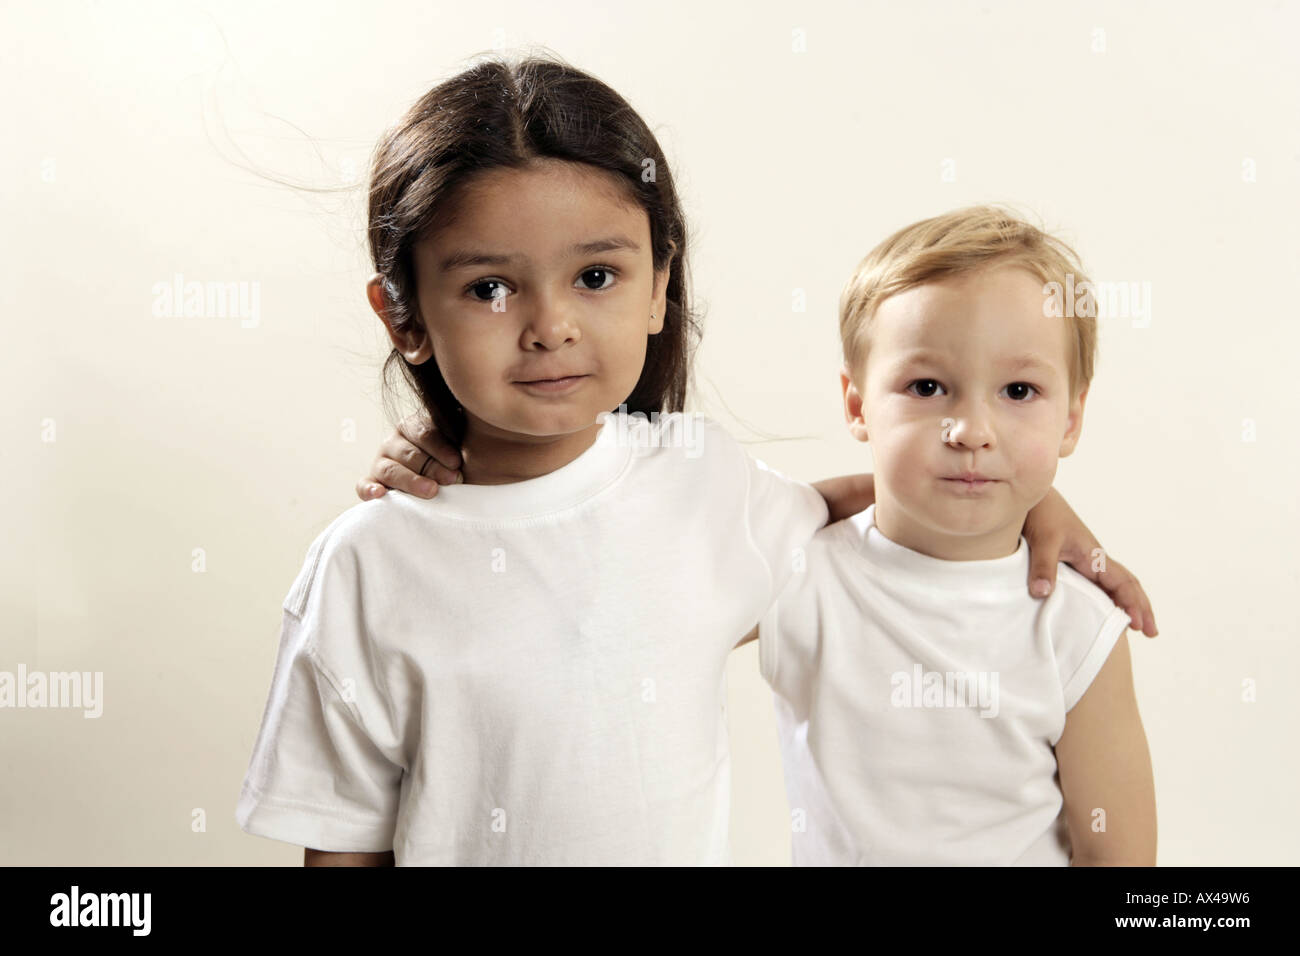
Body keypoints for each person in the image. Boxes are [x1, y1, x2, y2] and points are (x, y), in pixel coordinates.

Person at [247, 52, 1156, 866]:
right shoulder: (366, 565)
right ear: (403, 314)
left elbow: (885, 514)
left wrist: (1033, 506)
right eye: (489, 287)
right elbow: (343, 838)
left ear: (658, 289)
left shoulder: (699, 483)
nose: (550, 325)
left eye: (596, 276)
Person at [753, 206, 1157, 864]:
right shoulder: (800, 578)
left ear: (1071, 419)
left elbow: (1120, 858)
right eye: (928, 386)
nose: (971, 429)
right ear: (857, 405)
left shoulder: (1074, 624)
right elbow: (659, 601)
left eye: (1019, 390)